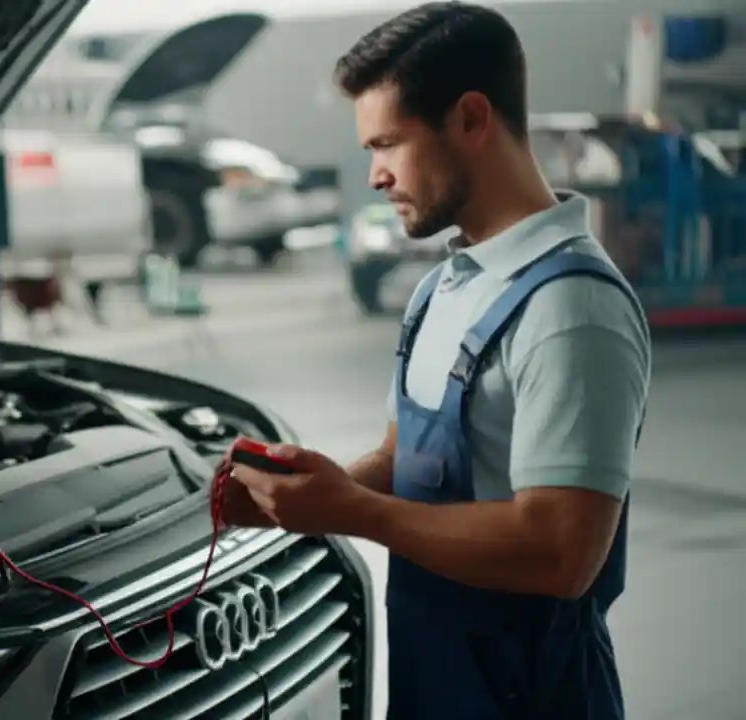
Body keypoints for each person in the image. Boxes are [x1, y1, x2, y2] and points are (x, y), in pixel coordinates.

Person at [221, 3, 651, 719]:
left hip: (535, 694)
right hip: (436, 679)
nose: (374, 177)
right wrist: (295, 500)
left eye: (387, 144)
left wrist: (352, 510)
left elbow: (561, 552)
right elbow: (404, 462)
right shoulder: (443, 287)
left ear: (472, 119)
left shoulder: (572, 307)